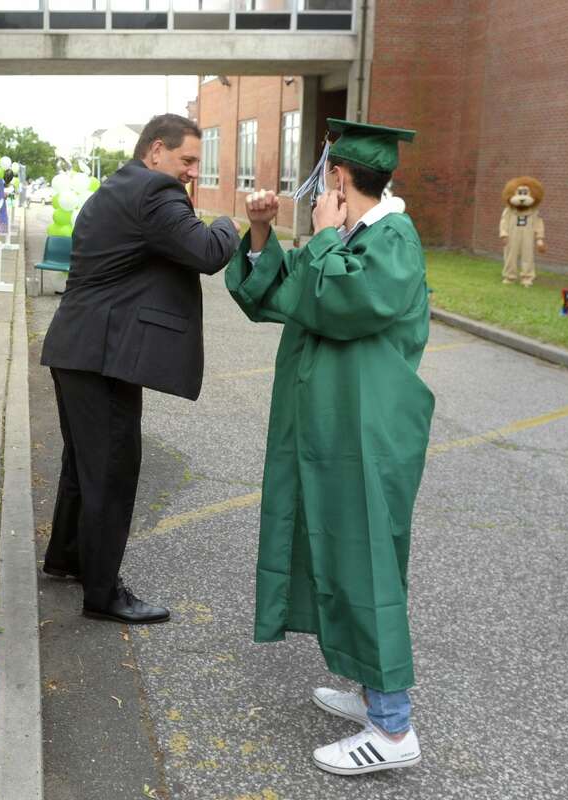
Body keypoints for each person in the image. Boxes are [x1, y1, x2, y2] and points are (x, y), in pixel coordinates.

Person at [226, 118, 434, 775]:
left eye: (326, 179)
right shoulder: (353, 236)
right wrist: (261, 234)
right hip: (334, 430)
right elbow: (277, 296)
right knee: (337, 561)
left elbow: (340, 299)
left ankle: (394, 730)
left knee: (366, 564)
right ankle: (371, 695)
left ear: (340, 181)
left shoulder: (393, 239)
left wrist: (314, 238)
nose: (320, 188)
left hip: (366, 438)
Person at [39, 114, 238, 624]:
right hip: (102, 355)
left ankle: (66, 559)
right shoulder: (156, 192)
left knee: (84, 465)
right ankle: (103, 593)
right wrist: (228, 223)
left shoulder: (118, 187)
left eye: (197, 162)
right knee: (111, 470)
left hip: (77, 348)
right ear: (155, 152)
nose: (192, 171)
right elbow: (207, 252)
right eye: (187, 160)